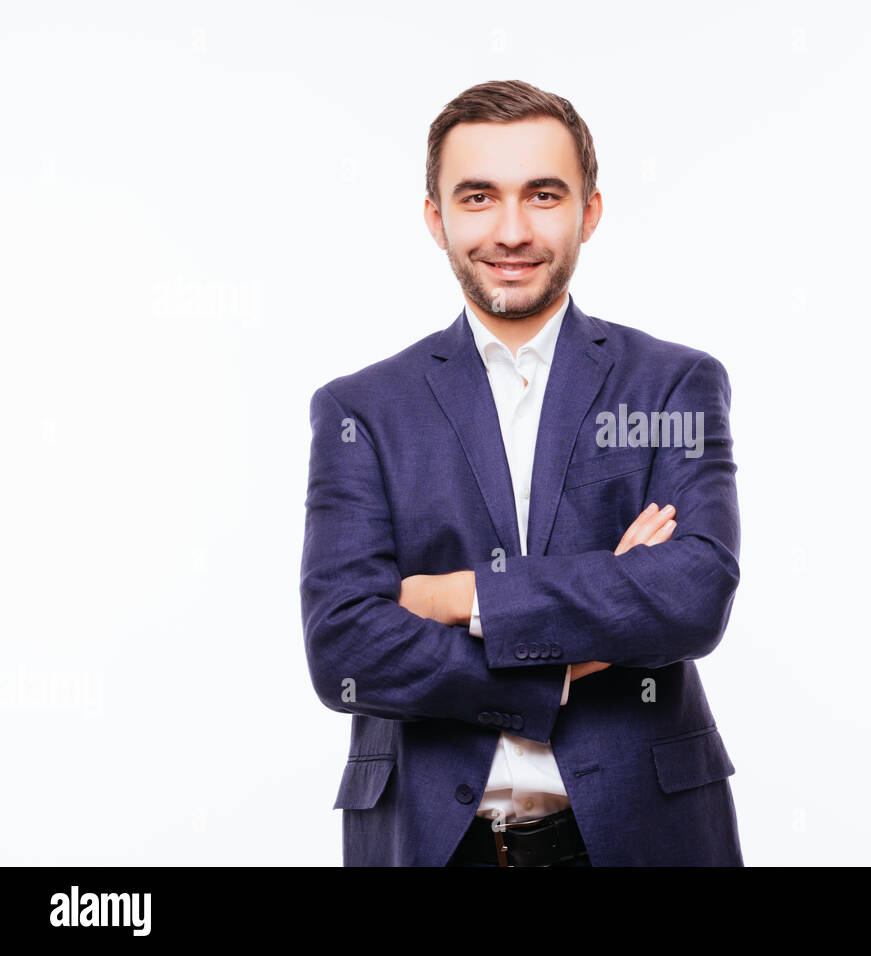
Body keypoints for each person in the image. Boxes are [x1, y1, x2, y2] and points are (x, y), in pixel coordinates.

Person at [299, 79, 742, 866]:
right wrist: (563, 657)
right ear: (435, 219)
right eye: (477, 198)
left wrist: (452, 598)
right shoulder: (361, 409)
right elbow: (343, 651)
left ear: (589, 212)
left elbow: (693, 593)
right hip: (435, 843)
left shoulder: (672, 384)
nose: (511, 230)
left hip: (641, 835)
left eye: (543, 194)